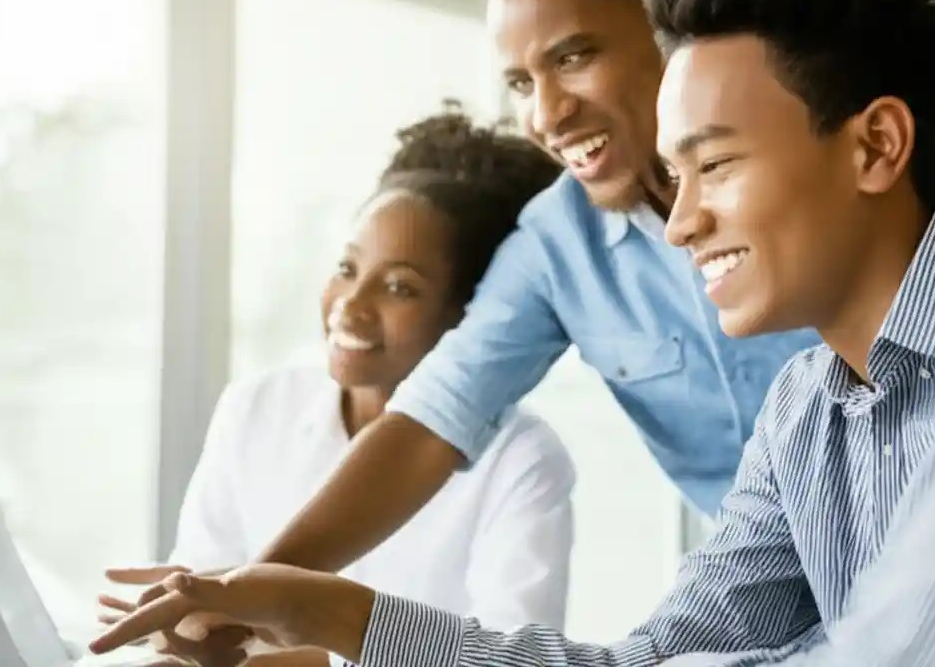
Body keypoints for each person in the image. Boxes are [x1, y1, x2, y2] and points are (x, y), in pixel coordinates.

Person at [89, 0, 935, 665]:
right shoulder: (805, 407)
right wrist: (321, 609)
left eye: (712, 167)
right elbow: (635, 653)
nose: (677, 226)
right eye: (518, 81)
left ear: (875, 143)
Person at [161, 0, 935, 591]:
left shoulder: (866, 170)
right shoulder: (555, 245)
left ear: (669, 34)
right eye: (518, 79)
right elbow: (433, 419)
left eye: (574, 55)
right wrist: (255, 590)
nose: (545, 113)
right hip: (779, 594)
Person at [97, 108, 576, 666]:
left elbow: (509, 655)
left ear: (473, 318)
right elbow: (208, 605)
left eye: (399, 287)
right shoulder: (258, 406)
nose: (352, 304)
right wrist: (178, 628)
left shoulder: (523, 458)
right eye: (347, 269)